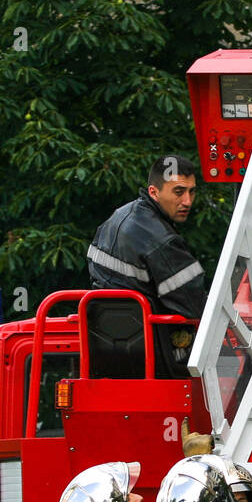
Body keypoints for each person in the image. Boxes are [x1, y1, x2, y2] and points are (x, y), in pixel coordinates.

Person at [87, 156, 205, 376]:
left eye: (192, 192)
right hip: (159, 358)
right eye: (179, 192)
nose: (187, 201)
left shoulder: (116, 218)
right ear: (154, 192)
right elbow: (196, 306)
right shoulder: (161, 241)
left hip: (110, 351)